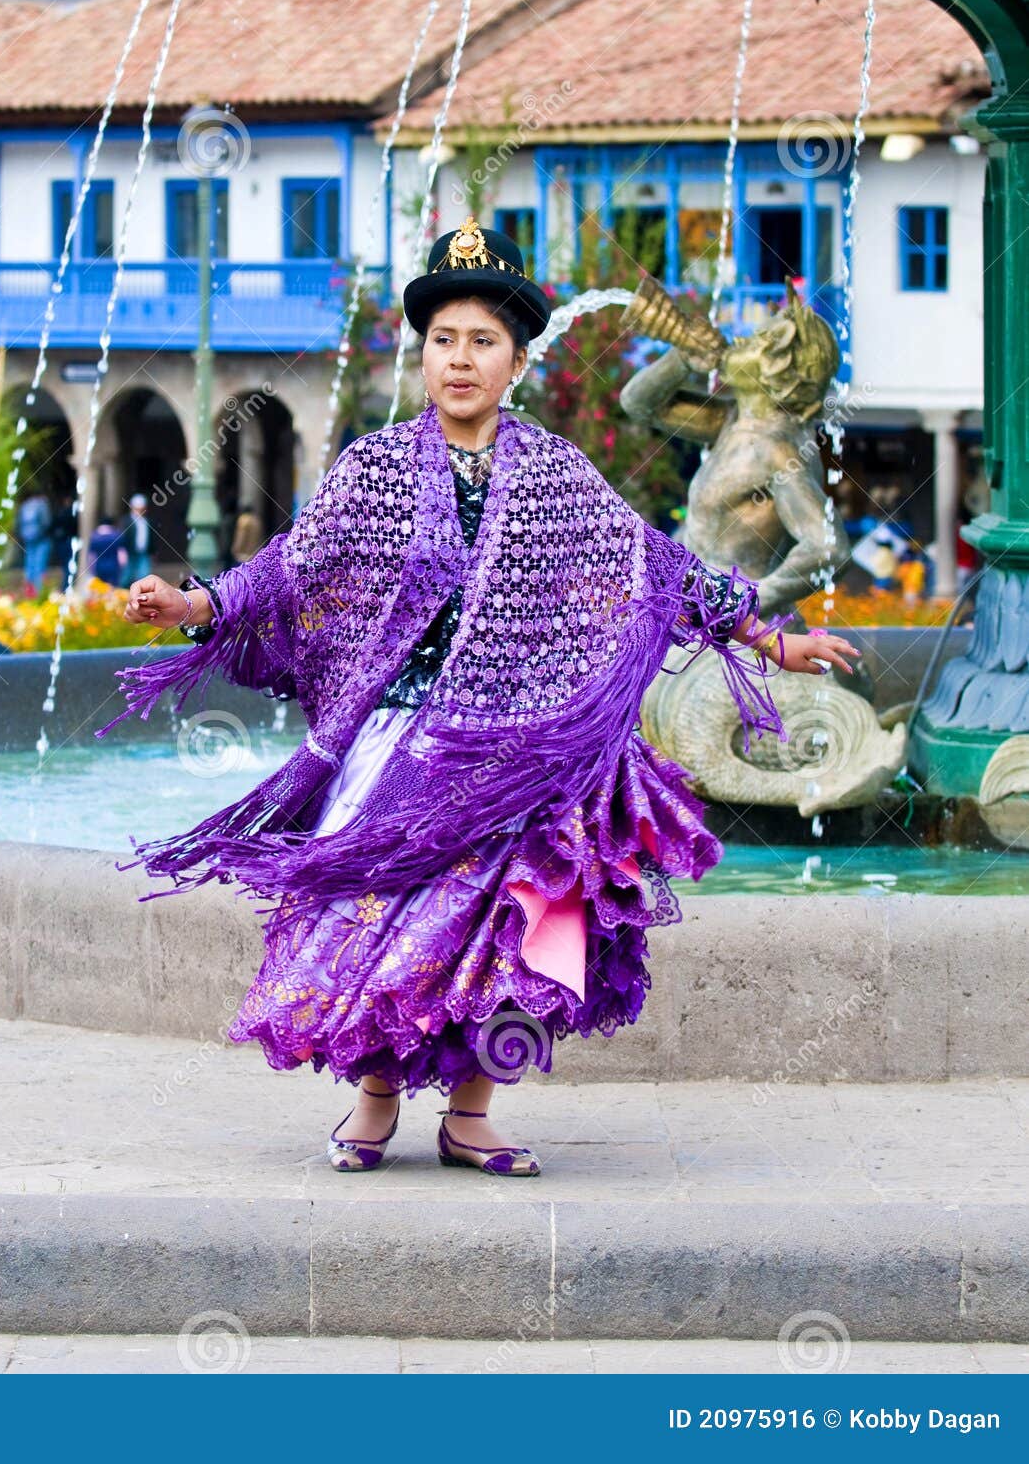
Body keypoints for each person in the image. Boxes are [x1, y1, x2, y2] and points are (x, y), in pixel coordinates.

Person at [100, 217, 858, 1178]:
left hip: (519, 744)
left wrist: (770, 636)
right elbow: (294, 570)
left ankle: (470, 1114)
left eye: (481, 343)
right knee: (377, 922)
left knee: (509, 928)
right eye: (442, 342)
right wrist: (196, 602)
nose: (459, 361)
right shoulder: (373, 469)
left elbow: (654, 567)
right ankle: (374, 1098)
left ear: (516, 360)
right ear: (424, 357)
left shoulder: (554, 474)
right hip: (395, 741)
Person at [16, 489, 53, 597]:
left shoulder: (25, 506)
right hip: (41, 538)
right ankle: (39, 592)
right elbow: (46, 522)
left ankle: (29, 591)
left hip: (28, 538)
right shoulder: (42, 504)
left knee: (29, 564)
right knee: (40, 565)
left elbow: (18, 523)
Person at [87, 514, 129, 587]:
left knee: (100, 587)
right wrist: (122, 566)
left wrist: (91, 568)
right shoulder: (117, 535)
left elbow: (91, 555)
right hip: (113, 566)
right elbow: (122, 554)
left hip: (99, 566)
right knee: (113, 587)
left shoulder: (94, 536)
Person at [124, 493, 152, 586]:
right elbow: (123, 538)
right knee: (127, 575)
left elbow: (151, 538)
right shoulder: (126, 521)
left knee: (144, 575)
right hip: (129, 552)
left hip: (144, 552)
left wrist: (152, 552)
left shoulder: (147, 521)